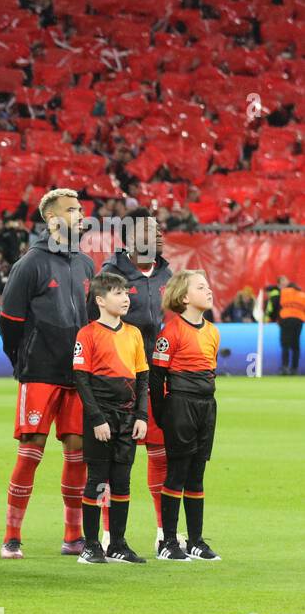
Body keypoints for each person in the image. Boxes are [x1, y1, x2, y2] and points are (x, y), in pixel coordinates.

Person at [0, 188, 96, 559]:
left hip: (77, 376)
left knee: (77, 454)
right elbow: (8, 323)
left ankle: (73, 536)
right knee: (30, 452)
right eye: (73, 210)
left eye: (82, 208)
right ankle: (11, 536)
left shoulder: (86, 264)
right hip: (39, 373)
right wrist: (23, 362)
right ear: (53, 219)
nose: (81, 215)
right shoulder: (30, 264)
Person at [97, 207, 172, 545]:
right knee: (114, 460)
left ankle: (163, 532)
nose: (156, 236)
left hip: (160, 377)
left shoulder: (168, 276)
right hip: (120, 380)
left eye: (157, 230)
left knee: (159, 452)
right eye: (147, 231)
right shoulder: (111, 275)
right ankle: (110, 532)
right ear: (130, 238)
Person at [72, 275, 150, 565]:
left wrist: (141, 415)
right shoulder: (88, 334)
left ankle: (117, 543)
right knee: (97, 480)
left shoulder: (134, 334)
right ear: (101, 300)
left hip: (128, 417)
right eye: (118, 293)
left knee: (122, 480)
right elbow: (81, 379)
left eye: (127, 293)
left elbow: (143, 377)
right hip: (102, 416)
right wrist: (96, 418)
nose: (126, 298)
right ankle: (91, 545)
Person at [151, 270, 222, 562]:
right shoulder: (171, 331)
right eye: (201, 287)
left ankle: (195, 541)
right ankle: (168, 541)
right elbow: (157, 377)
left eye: (208, 286)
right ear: (184, 297)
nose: (209, 291)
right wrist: (162, 415)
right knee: (177, 472)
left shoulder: (213, 332)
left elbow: (210, 370)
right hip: (180, 404)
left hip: (206, 405)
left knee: (197, 473)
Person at [277, 277, 304, 375]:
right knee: (295, 345)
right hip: (298, 320)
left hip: (286, 318)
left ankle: (285, 367)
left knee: (285, 344)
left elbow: (276, 302)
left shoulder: (284, 292)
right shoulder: (302, 295)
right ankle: (294, 369)